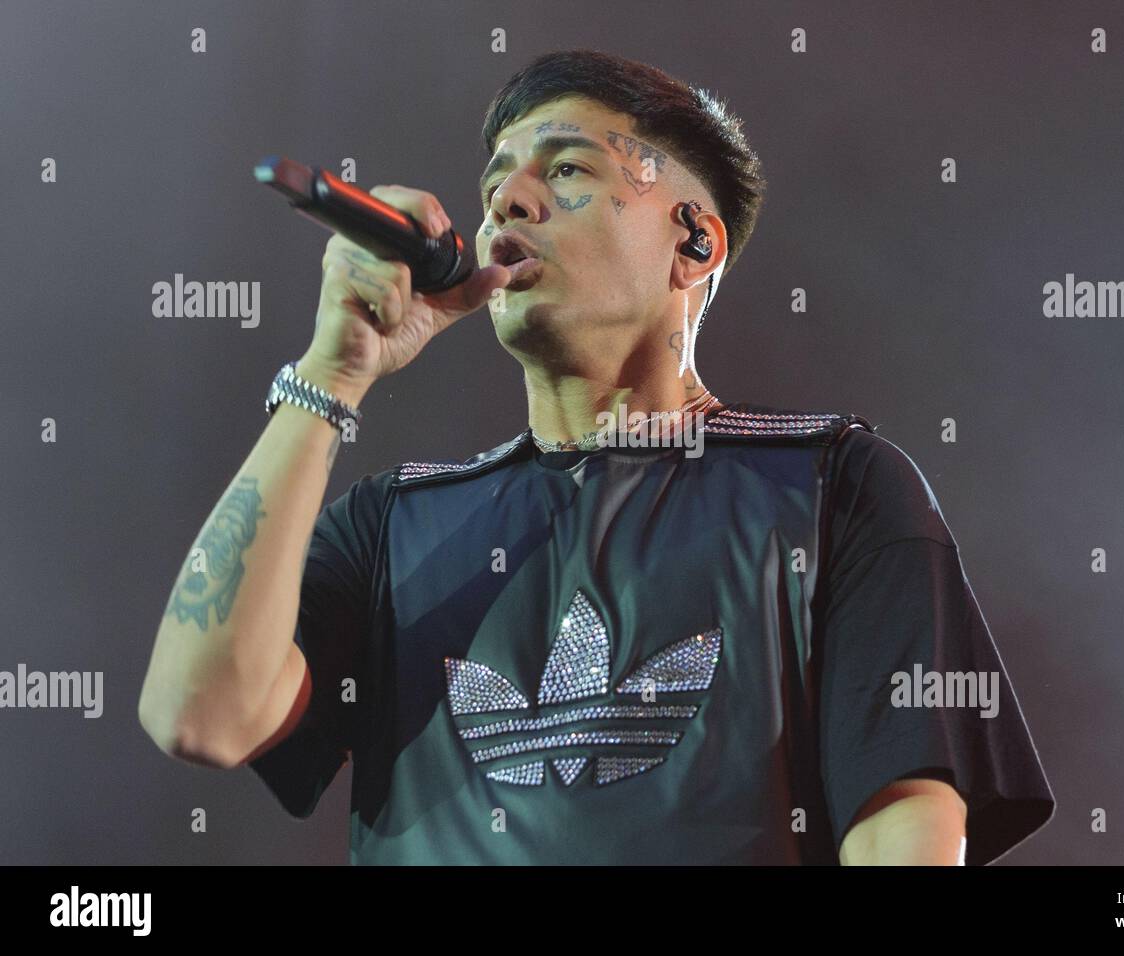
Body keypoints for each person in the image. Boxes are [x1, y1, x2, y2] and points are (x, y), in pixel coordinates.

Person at [139, 49, 1054, 865]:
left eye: (566, 168)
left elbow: (908, 827)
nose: (509, 199)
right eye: (497, 182)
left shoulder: (831, 486)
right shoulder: (397, 524)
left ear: (694, 243)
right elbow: (197, 714)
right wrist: (331, 372)